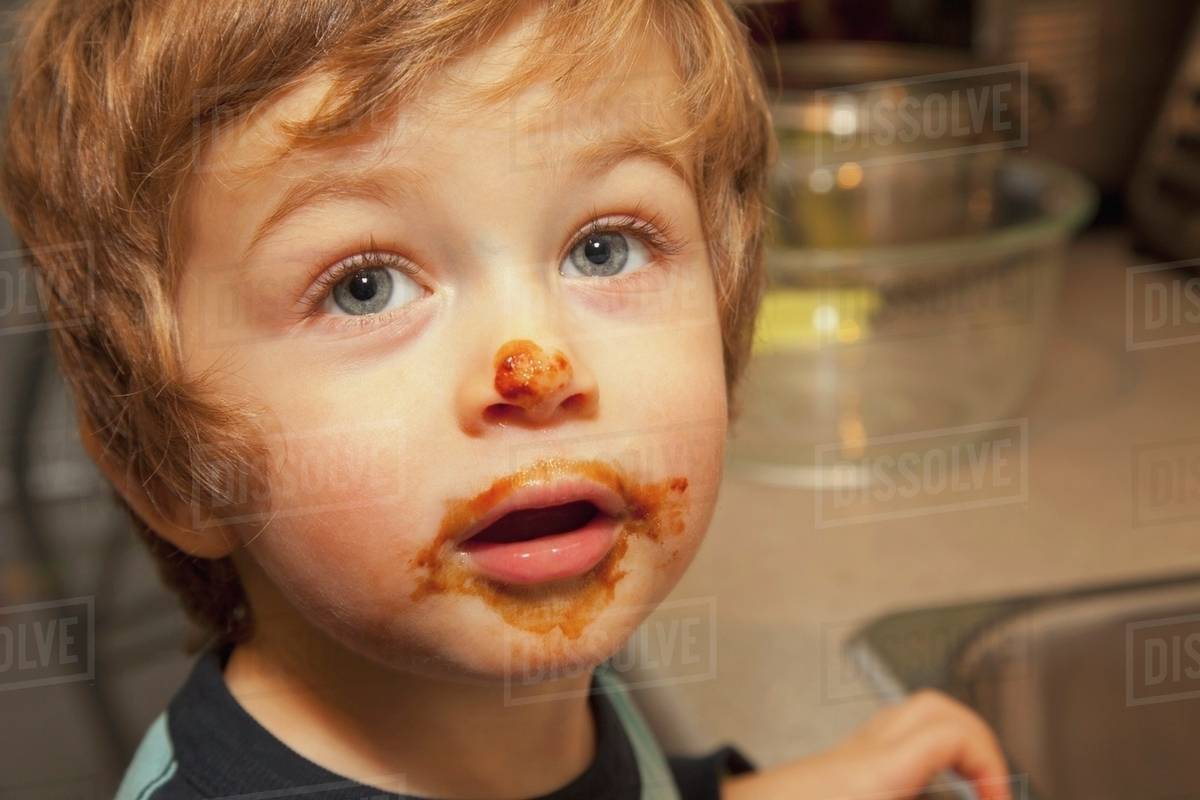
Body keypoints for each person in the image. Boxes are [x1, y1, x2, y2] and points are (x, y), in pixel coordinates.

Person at [0, 1, 1012, 797]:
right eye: (365, 284)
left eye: (602, 246)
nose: (540, 364)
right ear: (172, 467)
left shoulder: (511, 686)